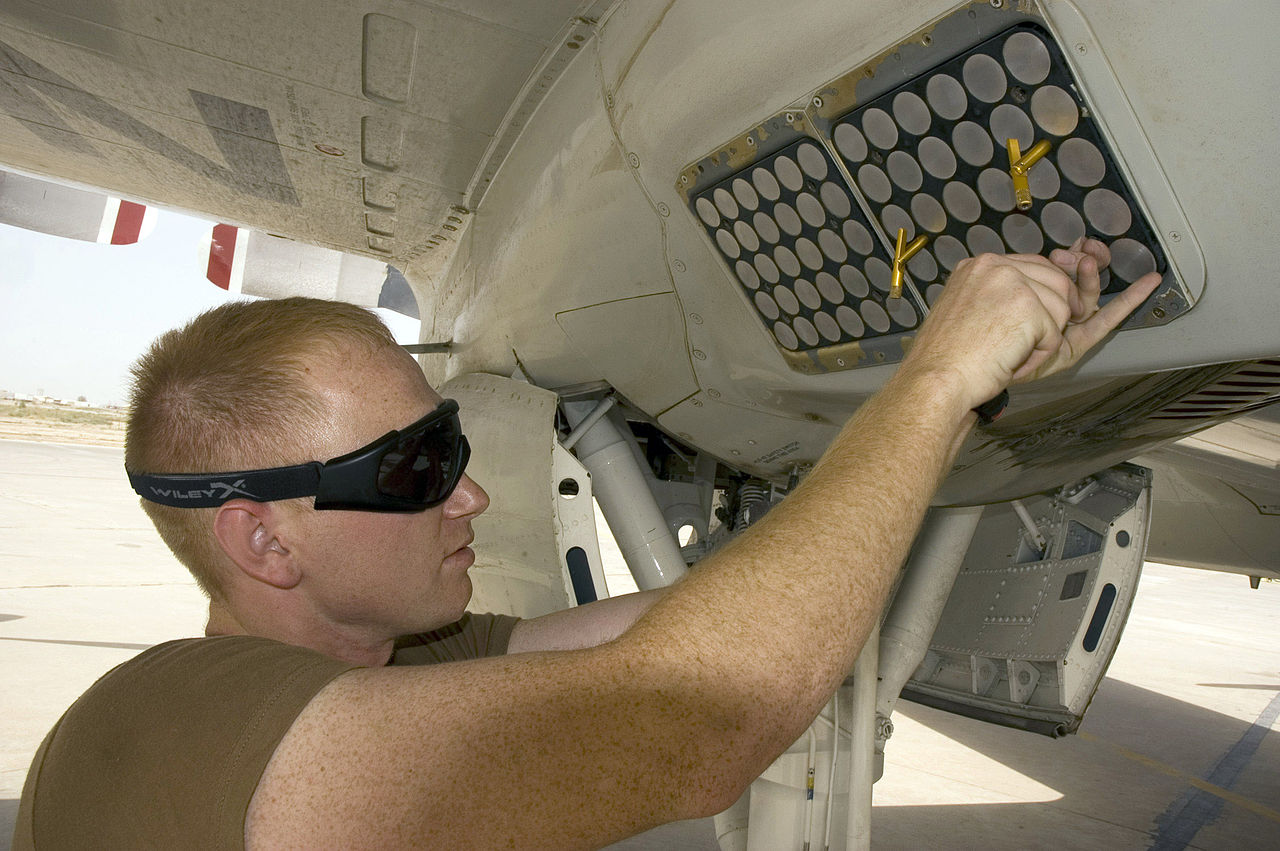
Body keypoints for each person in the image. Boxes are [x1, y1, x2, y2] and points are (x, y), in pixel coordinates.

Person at [14, 241, 1159, 849]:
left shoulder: (398, 661)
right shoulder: (164, 717)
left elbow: (698, 623)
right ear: (260, 538)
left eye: (446, 441)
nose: (468, 495)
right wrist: (929, 382)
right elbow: (694, 711)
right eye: (411, 469)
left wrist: (952, 414)